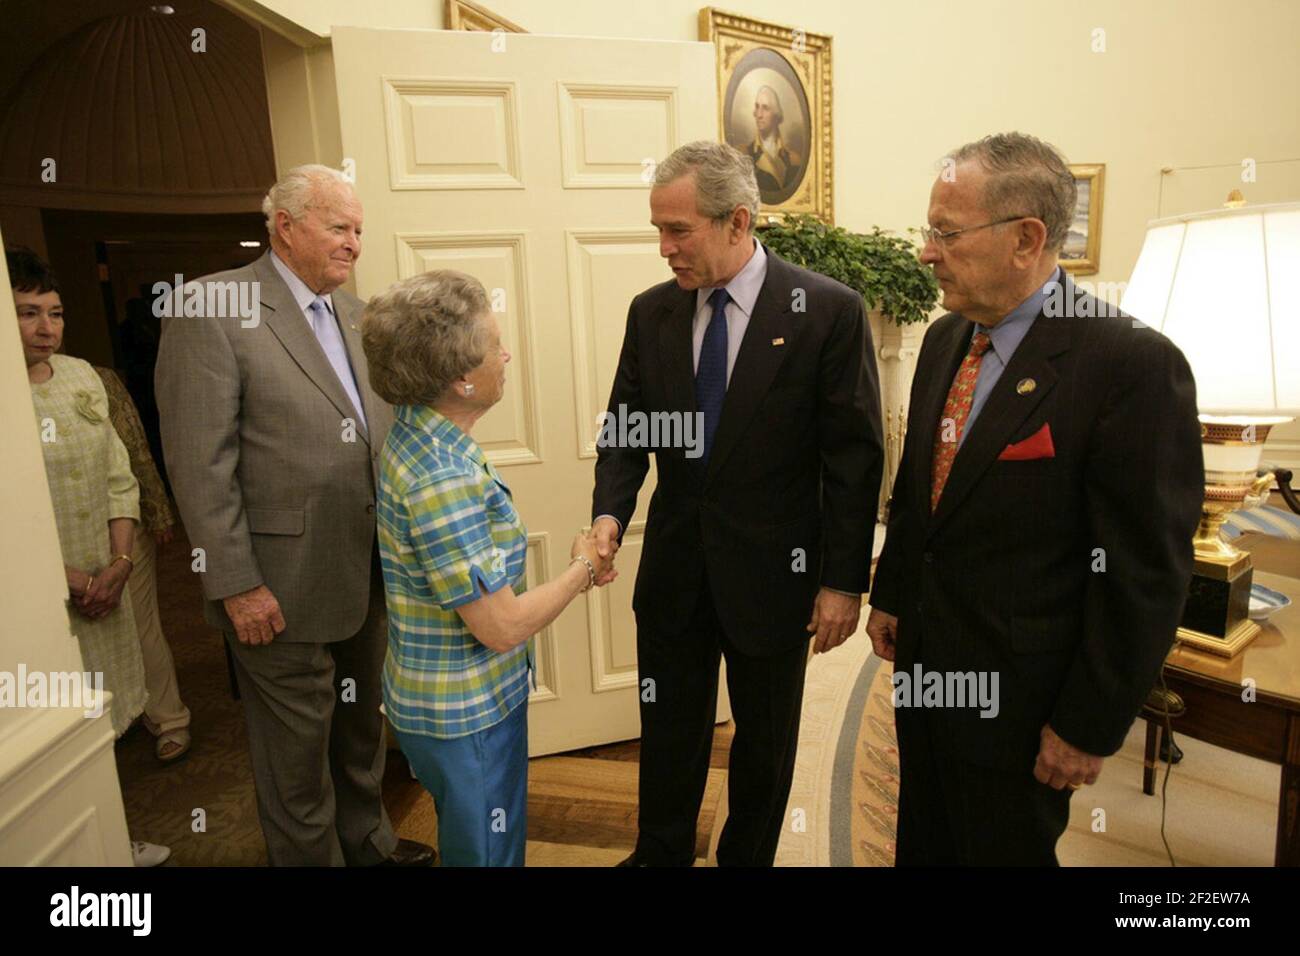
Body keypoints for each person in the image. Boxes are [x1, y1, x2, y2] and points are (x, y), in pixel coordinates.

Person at [865, 132, 1203, 865]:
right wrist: (892, 593)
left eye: (946, 234)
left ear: (1027, 239)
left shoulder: (1130, 365)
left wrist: (1088, 723)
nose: (927, 252)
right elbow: (921, 491)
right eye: (930, 231)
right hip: (927, 673)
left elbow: (1145, 576)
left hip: (1024, 701)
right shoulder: (947, 337)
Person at [592, 141, 883, 866]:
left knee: (765, 740)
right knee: (667, 729)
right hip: (676, 575)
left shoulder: (827, 312)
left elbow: (854, 459)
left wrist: (844, 582)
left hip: (776, 576)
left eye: (678, 231)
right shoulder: (651, 313)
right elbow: (628, 430)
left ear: (737, 221)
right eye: (658, 229)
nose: (664, 249)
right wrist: (608, 513)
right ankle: (658, 855)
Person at [154, 165, 433, 867]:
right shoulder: (210, 308)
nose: (354, 244)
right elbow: (197, 463)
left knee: (358, 735)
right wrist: (235, 582)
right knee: (295, 763)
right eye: (339, 227)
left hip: (364, 576)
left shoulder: (358, 315)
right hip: (273, 589)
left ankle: (367, 846)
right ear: (284, 224)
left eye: (359, 230)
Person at [361, 270, 615, 866]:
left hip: (443, 704)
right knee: (486, 855)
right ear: (460, 377)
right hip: (465, 715)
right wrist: (583, 567)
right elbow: (500, 627)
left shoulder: (426, 434)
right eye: (491, 345)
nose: (504, 355)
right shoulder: (442, 476)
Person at [10, 247, 169, 867]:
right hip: (37, 588)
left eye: (55, 312)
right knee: (46, 729)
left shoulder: (81, 377)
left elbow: (116, 475)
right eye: (28, 314)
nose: (47, 327)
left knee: (104, 718)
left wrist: (119, 564)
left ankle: (105, 839)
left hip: (106, 576)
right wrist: (69, 577)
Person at [93, 365, 192, 763]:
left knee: (140, 622)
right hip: (55, 540)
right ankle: (110, 717)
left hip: (123, 522)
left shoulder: (97, 379)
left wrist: (156, 508)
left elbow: (134, 448)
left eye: (54, 314)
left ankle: (169, 719)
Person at [744, 85, 803, 198]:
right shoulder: (745, 154)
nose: (759, 114)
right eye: (757, 107)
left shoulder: (793, 159)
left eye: (765, 108)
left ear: (776, 114)